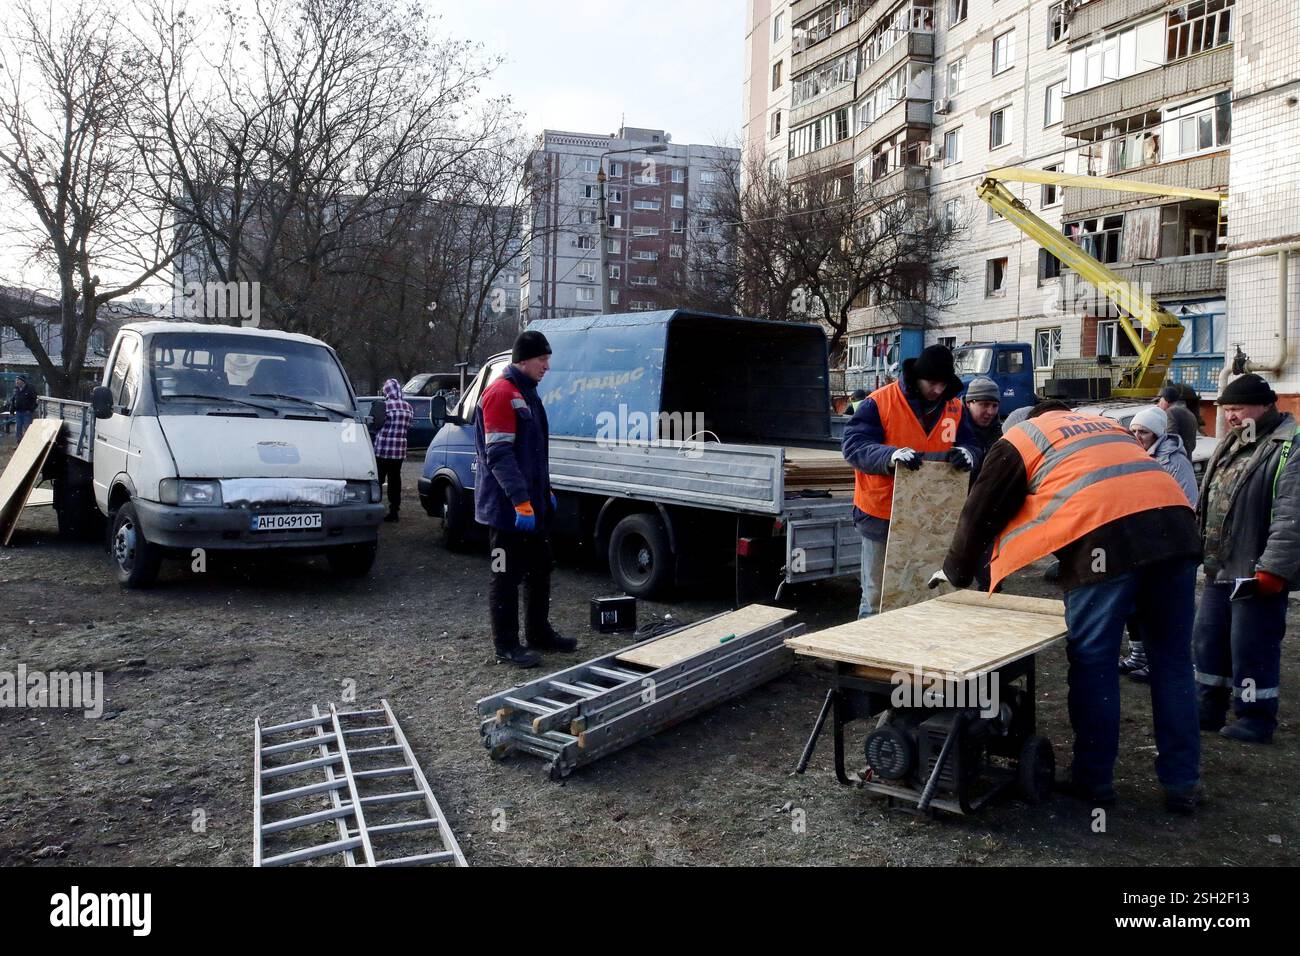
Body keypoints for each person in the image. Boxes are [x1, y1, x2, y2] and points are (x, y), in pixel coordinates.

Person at [943, 401, 1203, 814]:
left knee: (1094, 662)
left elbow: (980, 511)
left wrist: (956, 574)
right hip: (1177, 532)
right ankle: (1183, 783)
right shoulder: (1105, 426)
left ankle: (1094, 781)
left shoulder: (1021, 437)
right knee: (1171, 663)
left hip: (1107, 540)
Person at [1193, 373, 1300, 744]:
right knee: (1208, 640)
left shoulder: (1289, 448)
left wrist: (1273, 569)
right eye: (1226, 410)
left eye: (1237, 409)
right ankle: (1207, 708)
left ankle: (1254, 718)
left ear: (1266, 405)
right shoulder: (1233, 442)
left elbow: (1292, 517)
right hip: (1218, 566)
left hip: (1254, 572)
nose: (1231, 417)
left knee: (1251, 647)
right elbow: (1208, 499)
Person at [842, 345, 983, 619]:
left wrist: (970, 454)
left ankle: (909, 653)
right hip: (882, 514)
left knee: (924, 592)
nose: (939, 390)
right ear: (918, 378)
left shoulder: (954, 407)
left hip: (934, 518)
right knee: (876, 596)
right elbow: (853, 446)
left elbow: (973, 444)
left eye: (944, 384)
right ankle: (866, 657)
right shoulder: (880, 402)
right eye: (933, 383)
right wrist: (890, 455)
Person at [476, 330, 576, 668]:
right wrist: (520, 500)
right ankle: (505, 645)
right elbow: (500, 455)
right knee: (504, 575)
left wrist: (543, 491)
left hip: (531, 507)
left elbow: (534, 454)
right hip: (507, 511)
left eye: (548, 359)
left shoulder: (527, 394)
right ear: (522, 360)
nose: (547, 366)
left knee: (540, 568)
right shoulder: (501, 394)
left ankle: (538, 633)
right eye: (542, 359)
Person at [1118, 406, 1199, 681]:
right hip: (1139, 540)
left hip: (1167, 544)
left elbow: (1188, 501)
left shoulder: (1174, 462)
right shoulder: (1136, 455)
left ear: (1157, 434)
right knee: (1134, 601)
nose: (1137, 436)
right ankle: (1138, 654)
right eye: (1135, 431)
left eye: (1144, 432)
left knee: (1161, 606)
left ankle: (1158, 659)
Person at [963, 376, 1002, 590]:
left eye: (994, 405)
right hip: (952, 512)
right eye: (984, 404)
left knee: (991, 578)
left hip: (986, 515)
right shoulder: (954, 429)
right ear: (969, 403)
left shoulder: (999, 435)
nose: (990, 411)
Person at [371, 379, 412, 522]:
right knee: (395, 480)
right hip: (399, 451)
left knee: (378, 480)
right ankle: (394, 510)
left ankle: (374, 508)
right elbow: (408, 426)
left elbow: (375, 425)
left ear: (387, 391)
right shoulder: (408, 407)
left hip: (382, 449)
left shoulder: (384, 406)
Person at [1158, 383, 1201, 455]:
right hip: (1186, 457)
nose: (1158, 405)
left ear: (1166, 400)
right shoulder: (1189, 412)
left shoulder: (1171, 412)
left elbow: (1170, 438)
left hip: (1174, 458)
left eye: (1160, 401)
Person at [7, 374, 38, 443]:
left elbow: (35, 401)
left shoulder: (30, 388)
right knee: (18, 428)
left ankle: (28, 443)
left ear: (22, 381)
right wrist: (11, 411)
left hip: (27, 413)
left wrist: (30, 410)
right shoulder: (16, 389)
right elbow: (13, 400)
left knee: (27, 428)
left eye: (18, 380)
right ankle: (19, 443)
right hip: (18, 412)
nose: (16, 382)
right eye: (16, 380)